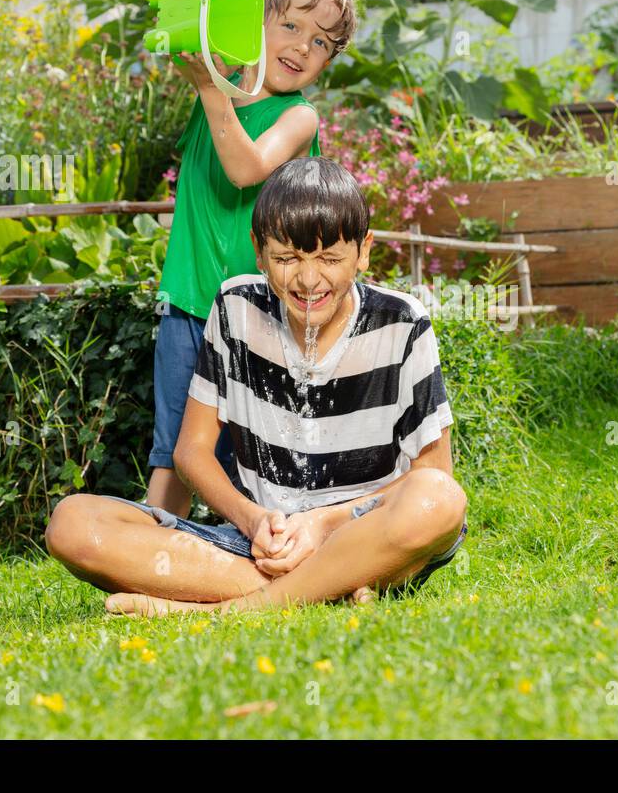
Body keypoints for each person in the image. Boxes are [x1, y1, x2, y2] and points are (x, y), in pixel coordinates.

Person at [45, 158, 468, 615]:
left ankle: (233, 608)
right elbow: (191, 452)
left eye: (330, 258)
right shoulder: (235, 308)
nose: (309, 280)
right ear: (259, 251)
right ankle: (330, 588)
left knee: (440, 501)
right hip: (263, 546)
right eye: (287, 259)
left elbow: (434, 473)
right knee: (72, 524)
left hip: (366, 532)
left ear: (363, 251)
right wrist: (254, 520)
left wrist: (321, 524)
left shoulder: (404, 322)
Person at [147, 0, 359, 520]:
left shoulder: (299, 117)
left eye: (320, 42)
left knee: (260, 461)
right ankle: (154, 559)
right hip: (190, 305)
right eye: (290, 25)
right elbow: (186, 31)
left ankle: (267, 554)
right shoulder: (217, 80)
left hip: (258, 319)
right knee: (173, 455)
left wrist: (210, 92)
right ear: (255, 23)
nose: (300, 47)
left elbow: (246, 168)